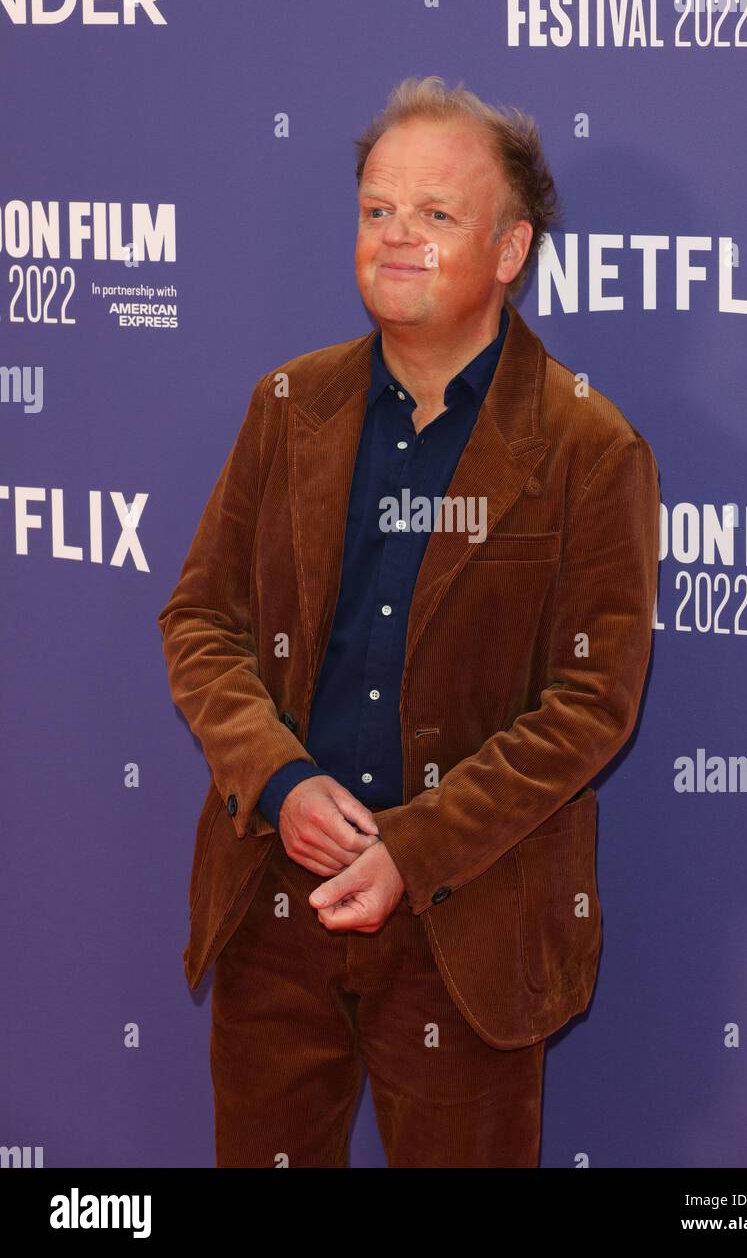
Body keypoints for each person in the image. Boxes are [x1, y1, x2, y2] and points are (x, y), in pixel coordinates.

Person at [157, 75, 661, 1168]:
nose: (397, 236)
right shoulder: (286, 405)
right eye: (378, 209)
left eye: (436, 214)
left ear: (511, 248)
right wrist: (281, 783)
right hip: (273, 912)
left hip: (465, 930)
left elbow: (591, 703)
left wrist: (412, 846)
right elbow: (200, 620)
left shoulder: (589, 448)